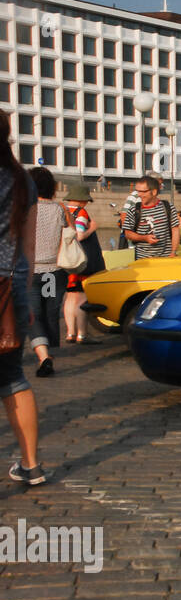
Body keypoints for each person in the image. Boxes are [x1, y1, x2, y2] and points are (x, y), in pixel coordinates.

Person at [0, 113, 44, 484]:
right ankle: (31, 464)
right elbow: (27, 247)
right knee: (13, 377)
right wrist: (23, 298)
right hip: (10, 286)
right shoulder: (22, 180)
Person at [29, 168, 68, 376]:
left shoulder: (24, 209)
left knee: (33, 314)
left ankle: (43, 355)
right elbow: (68, 234)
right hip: (53, 272)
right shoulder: (59, 208)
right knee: (49, 311)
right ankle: (49, 351)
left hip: (31, 272)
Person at [61, 182, 105, 344]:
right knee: (82, 298)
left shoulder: (63, 211)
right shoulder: (81, 213)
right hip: (83, 262)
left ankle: (70, 332)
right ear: (81, 200)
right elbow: (79, 236)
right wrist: (92, 228)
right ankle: (82, 334)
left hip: (67, 262)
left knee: (70, 297)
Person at [122, 176, 180, 260]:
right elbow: (127, 233)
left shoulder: (168, 207)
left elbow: (175, 230)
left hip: (166, 260)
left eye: (143, 191)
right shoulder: (133, 210)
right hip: (142, 261)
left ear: (154, 192)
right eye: (138, 191)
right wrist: (144, 238)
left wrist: (173, 252)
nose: (139, 195)